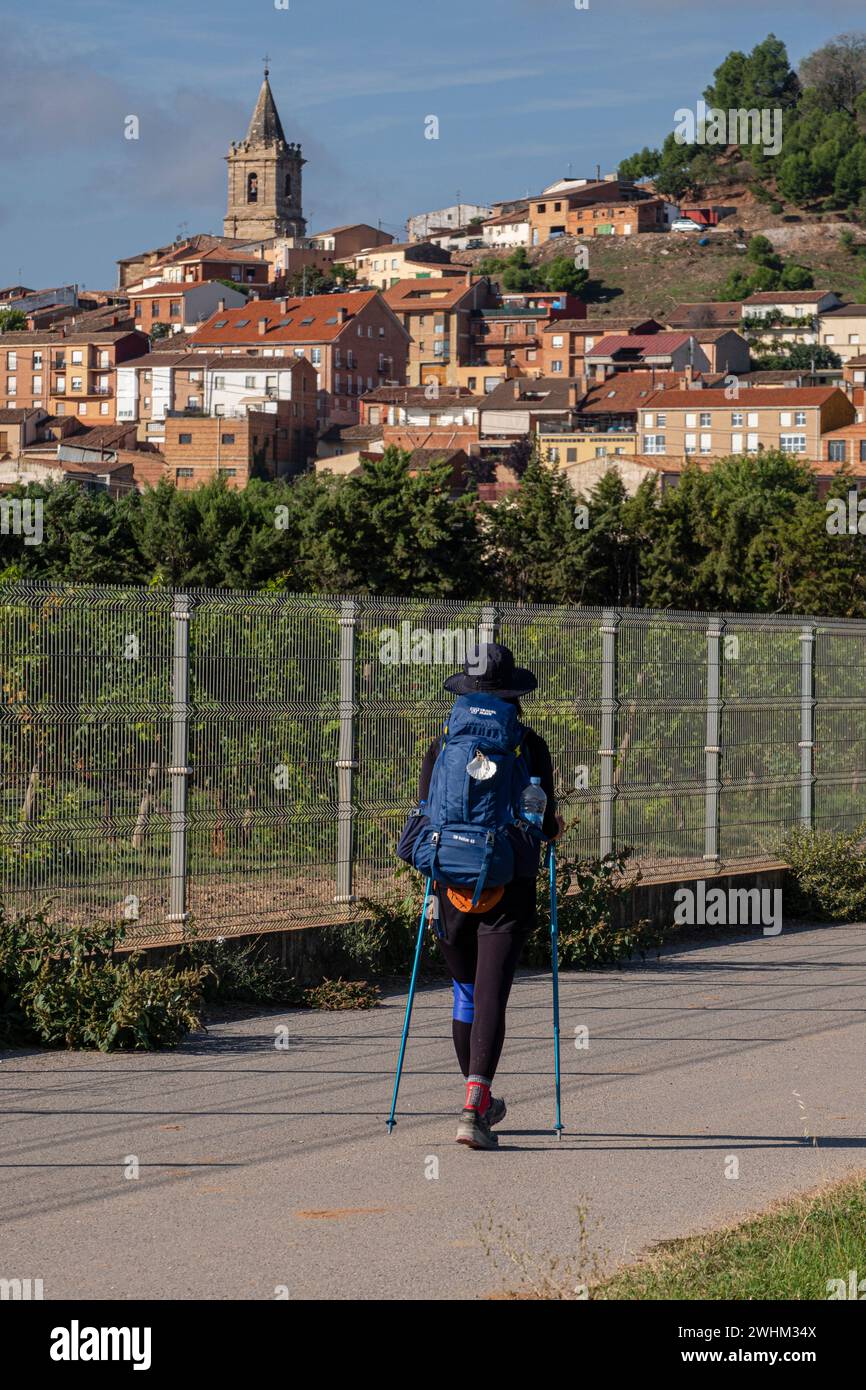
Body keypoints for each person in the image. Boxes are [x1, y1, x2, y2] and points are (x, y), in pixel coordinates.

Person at [418, 643, 562, 1150]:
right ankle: (473, 1111)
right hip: (508, 886)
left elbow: (424, 815)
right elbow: (540, 821)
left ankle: (476, 1100)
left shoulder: (440, 746)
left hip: (450, 888)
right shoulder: (530, 746)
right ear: (512, 694)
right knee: (492, 998)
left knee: (466, 996)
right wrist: (552, 829)